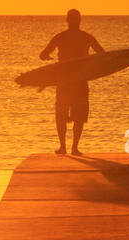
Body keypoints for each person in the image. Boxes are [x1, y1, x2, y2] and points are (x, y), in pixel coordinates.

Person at [39, 9, 104, 155]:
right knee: (78, 116)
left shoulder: (60, 37)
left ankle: (63, 147)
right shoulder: (87, 37)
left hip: (64, 81)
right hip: (79, 81)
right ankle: (74, 147)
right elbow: (103, 55)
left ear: (67, 20)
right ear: (79, 20)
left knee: (62, 115)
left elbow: (42, 54)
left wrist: (48, 59)